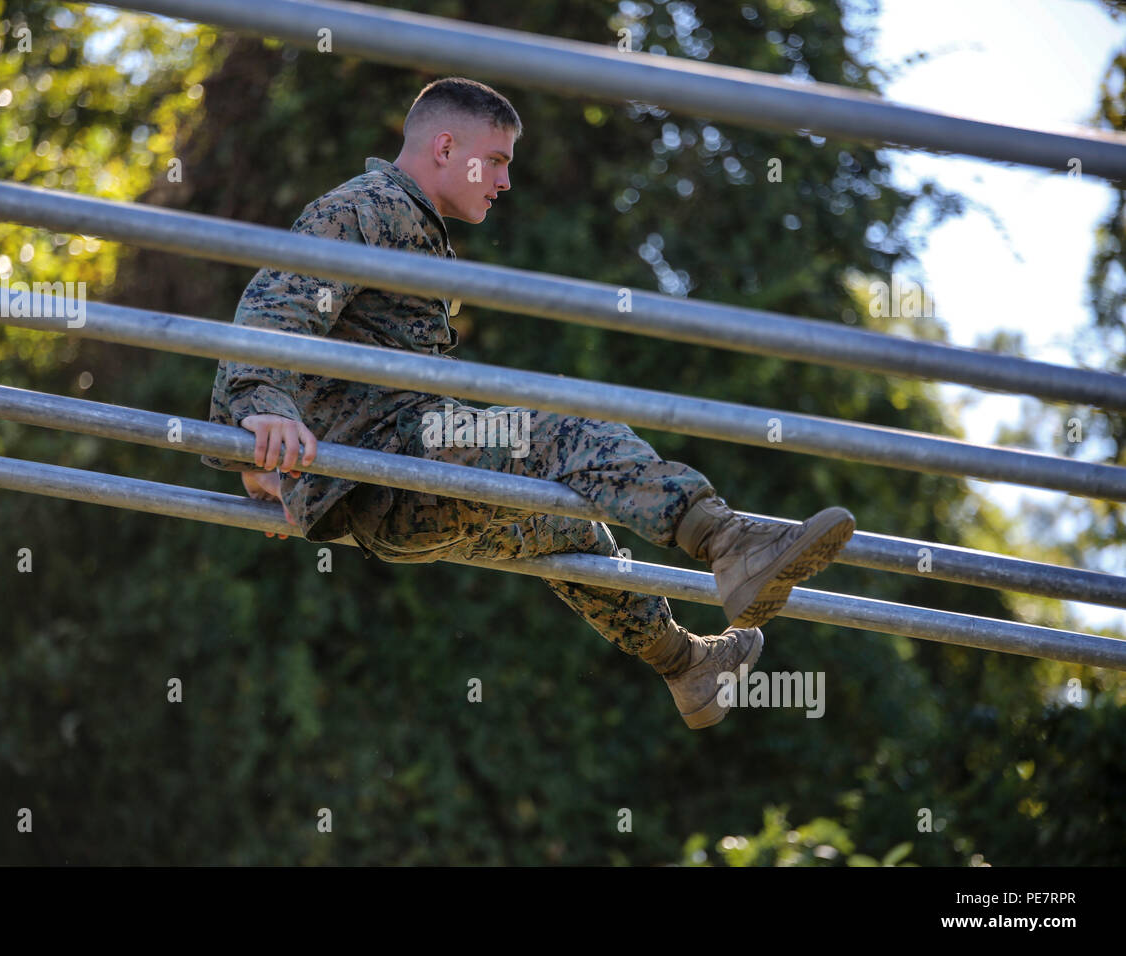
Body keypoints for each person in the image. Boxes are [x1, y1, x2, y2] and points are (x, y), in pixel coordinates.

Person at [201, 77, 855, 730]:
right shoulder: (368, 206)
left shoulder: (416, 227)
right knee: (562, 429)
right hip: (397, 467)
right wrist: (261, 407)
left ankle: (685, 663)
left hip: (400, 495)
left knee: (571, 525)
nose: (506, 182)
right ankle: (726, 539)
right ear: (447, 146)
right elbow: (278, 297)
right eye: (501, 160)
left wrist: (269, 460)